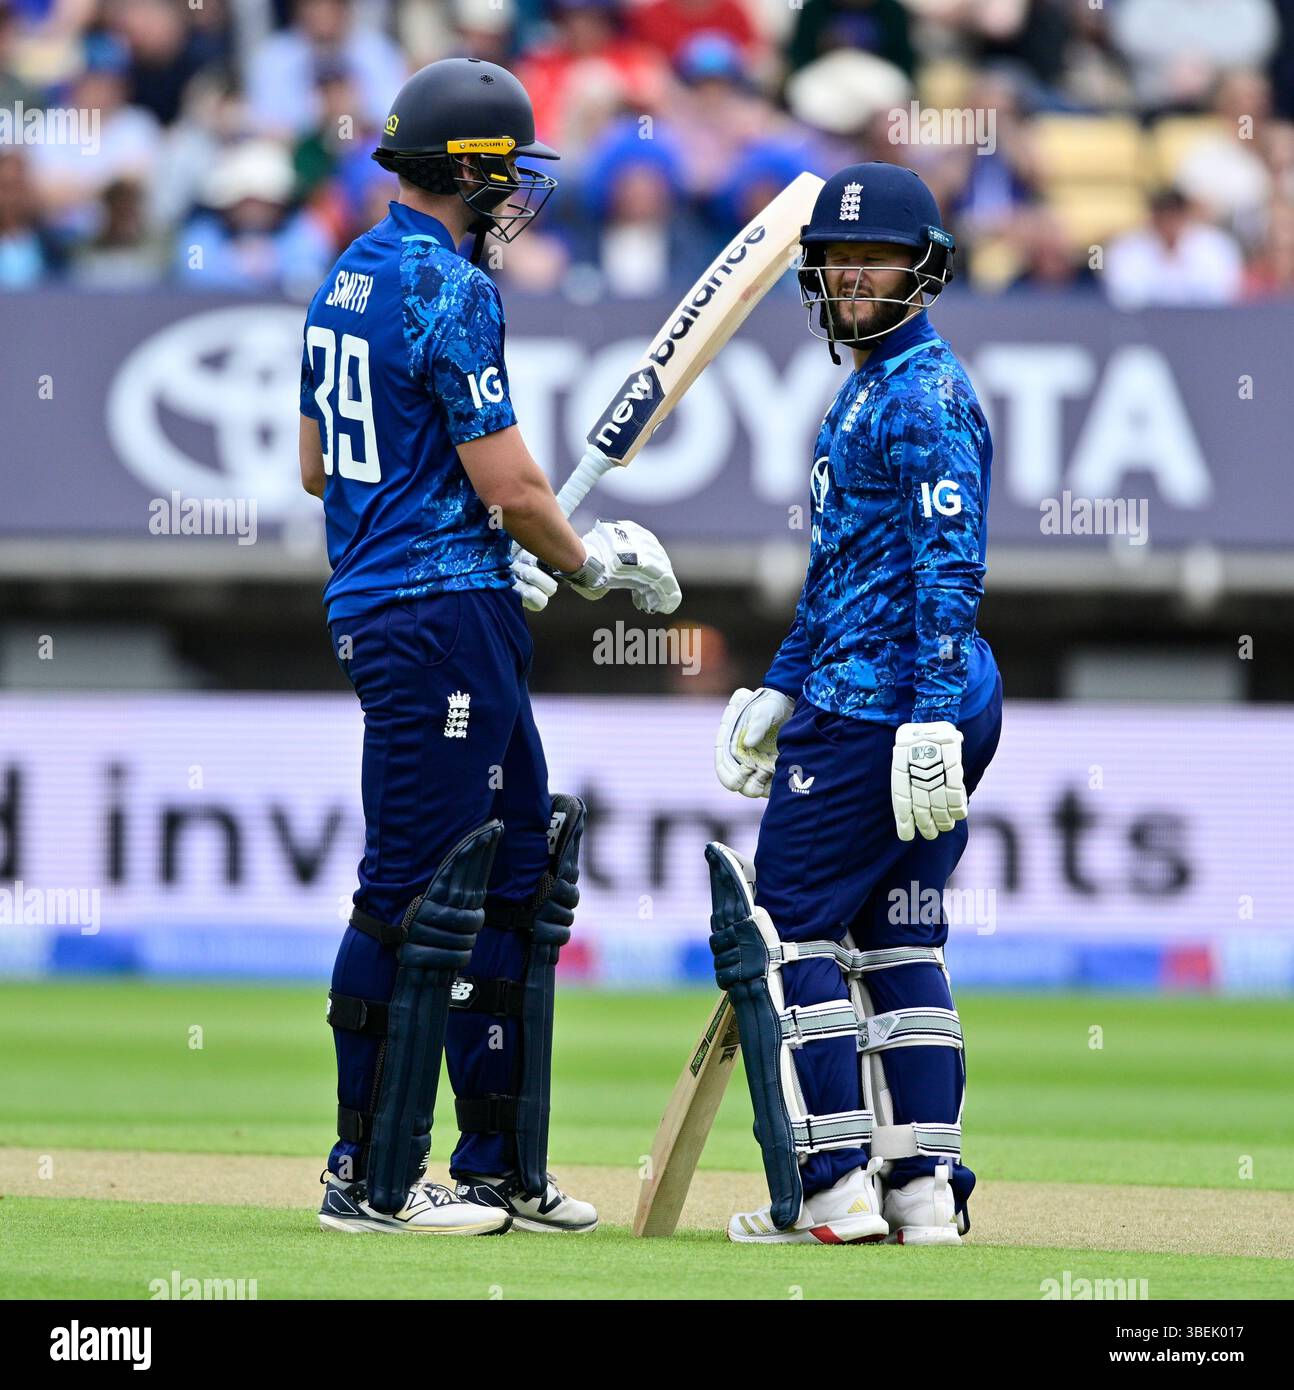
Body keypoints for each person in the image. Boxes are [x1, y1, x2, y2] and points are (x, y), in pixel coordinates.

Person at [299, 57, 681, 1236]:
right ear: (464, 168)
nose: (517, 190)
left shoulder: (344, 278)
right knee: (416, 888)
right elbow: (509, 478)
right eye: (506, 168)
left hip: (424, 601)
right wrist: (584, 557)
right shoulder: (451, 289)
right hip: (433, 618)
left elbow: (319, 463)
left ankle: (497, 1163)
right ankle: (369, 1174)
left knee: (517, 872)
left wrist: (491, 537)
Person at [710, 163, 1002, 1244]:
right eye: (834, 263)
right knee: (898, 936)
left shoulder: (920, 390)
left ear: (922, 268)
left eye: (873, 259)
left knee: (789, 932)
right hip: (872, 695)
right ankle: (923, 1193)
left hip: (888, 708)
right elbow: (843, 570)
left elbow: (947, 566)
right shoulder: (869, 386)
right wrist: (780, 682)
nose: (850, 280)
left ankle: (831, 1190)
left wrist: (924, 714)